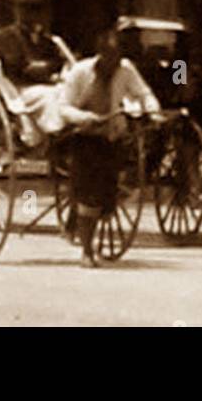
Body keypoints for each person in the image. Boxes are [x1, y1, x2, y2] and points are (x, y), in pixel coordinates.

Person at [42, 22, 160, 266]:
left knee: (107, 194)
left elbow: (143, 93)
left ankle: (81, 226)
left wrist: (152, 110)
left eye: (117, 58)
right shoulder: (80, 73)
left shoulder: (125, 69)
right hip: (82, 136)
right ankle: (86, 251)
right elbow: (64, 107)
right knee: (89, 195)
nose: (113, 63)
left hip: (111, 135)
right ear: (100, 55)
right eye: (109, 58)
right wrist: (86, 118)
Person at [0, 0, 66, 144]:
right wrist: (40, 68)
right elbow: (15, 65)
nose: (35, 15)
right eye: (28, 10)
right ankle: (55, 130)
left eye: (37, 10)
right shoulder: (8, 36)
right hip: (19, 89)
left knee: (66, 92)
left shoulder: (45, 40)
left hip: (44, 84)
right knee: (49, 95)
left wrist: (44, 67)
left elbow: (57, 62)